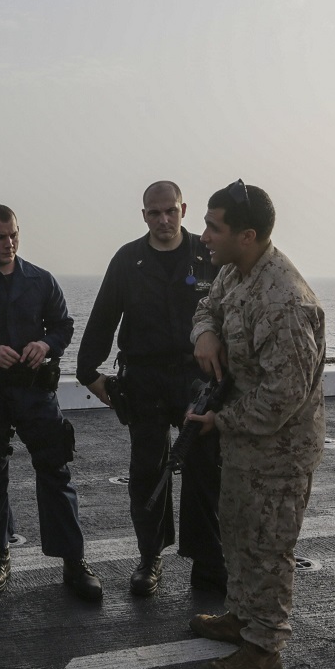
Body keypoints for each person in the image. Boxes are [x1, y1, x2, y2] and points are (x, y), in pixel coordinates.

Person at [186, 180, 326, 669]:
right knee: (239, 531)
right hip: (246, 443)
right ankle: (242, 616)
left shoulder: (283, 300)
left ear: (246, 235)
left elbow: (284, 397)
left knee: (268, 546)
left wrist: (220, 421)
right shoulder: (235, 271)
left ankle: (264, 648)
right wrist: (206, 333)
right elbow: (208, 305)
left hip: (279, 447)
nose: (204, 236)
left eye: (213, 227)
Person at [0, 204, 103, 601]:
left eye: (13, 235)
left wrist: (45, 344)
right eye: (0, 237)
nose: (9, 243)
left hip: (34, 390)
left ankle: (73, 561)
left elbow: (63, 326)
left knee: (56, 470)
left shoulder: (41, 281)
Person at [76, 181, 225, 597]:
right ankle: (150, 557)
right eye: (154, 213)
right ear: (144, 215)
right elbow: (103, 318)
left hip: (196, 379)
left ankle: (207, 563)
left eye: (170, 211)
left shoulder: (207, 255)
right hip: (144, 380)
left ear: (183, 210)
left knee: (204, 469)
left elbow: (230, 314)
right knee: (147, 472)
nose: (163, 219)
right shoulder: (128, 260)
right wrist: (89, 373)